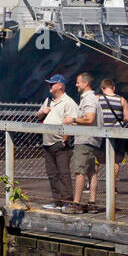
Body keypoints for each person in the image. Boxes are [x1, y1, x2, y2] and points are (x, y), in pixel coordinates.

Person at [37, 74, 80, 208]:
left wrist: (64, 140)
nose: (49, 86)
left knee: (63, 173)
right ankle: (57, 200)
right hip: (47, 142)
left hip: (60, 143)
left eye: (52, 84)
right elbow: (38, 116)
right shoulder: (48, 100)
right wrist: (43, 112)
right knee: (52, 174)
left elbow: (72, 122)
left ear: (60, 85)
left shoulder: (69, 102)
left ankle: (67, 200)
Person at [64, 73, 101, 209]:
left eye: (78, 82)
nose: (76, 84)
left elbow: (90, 118)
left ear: (85, 83)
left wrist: (72, 120)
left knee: (79, 171)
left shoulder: (89, 99)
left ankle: (76, 203)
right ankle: (91, 202)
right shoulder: (91, 98)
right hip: (92, 140)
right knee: (91, 172)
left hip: (85, 140)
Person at [97, 78, 128, 197]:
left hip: (101, 133)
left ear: (102, 88)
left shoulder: (97, 99)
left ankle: (91, 184)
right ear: (113, 88)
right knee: (116, 161)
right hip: (117, 133)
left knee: (95, 160)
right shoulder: (121, 99)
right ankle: (112, 187)